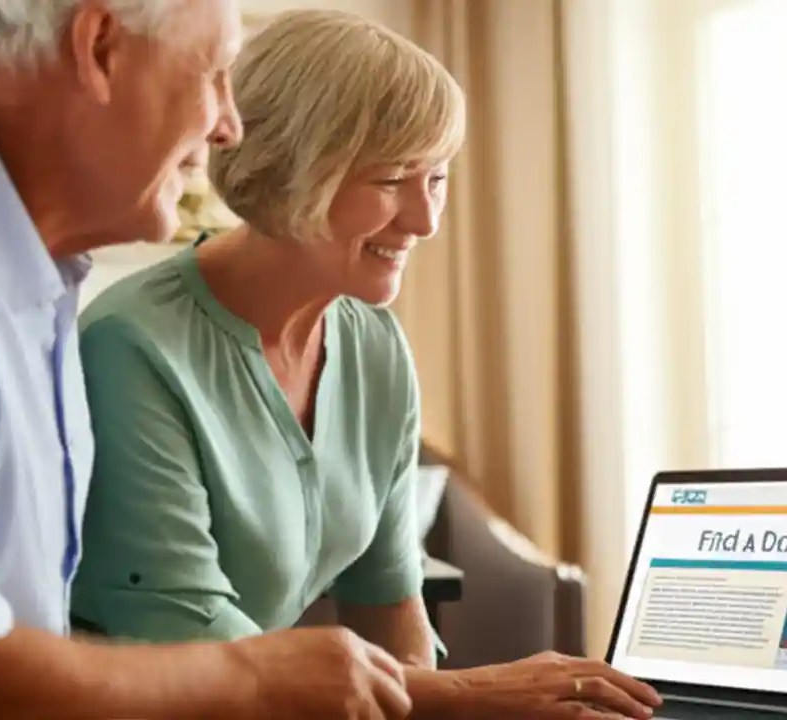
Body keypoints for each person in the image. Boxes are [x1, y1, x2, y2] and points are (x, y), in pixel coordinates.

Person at [71, 9, 662, 720]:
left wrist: (453, 702)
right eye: (392, 180)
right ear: (288, 171)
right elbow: (189, 645)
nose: (425, 220)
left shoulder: (374, 345)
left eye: (436, 178)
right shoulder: (128, 348)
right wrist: (477, 695)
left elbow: (390, 604)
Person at [0, 2, 414, 718]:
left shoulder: (19, 276)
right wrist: (256, 679)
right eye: (213, 74)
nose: (228, 126)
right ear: (100, 46)